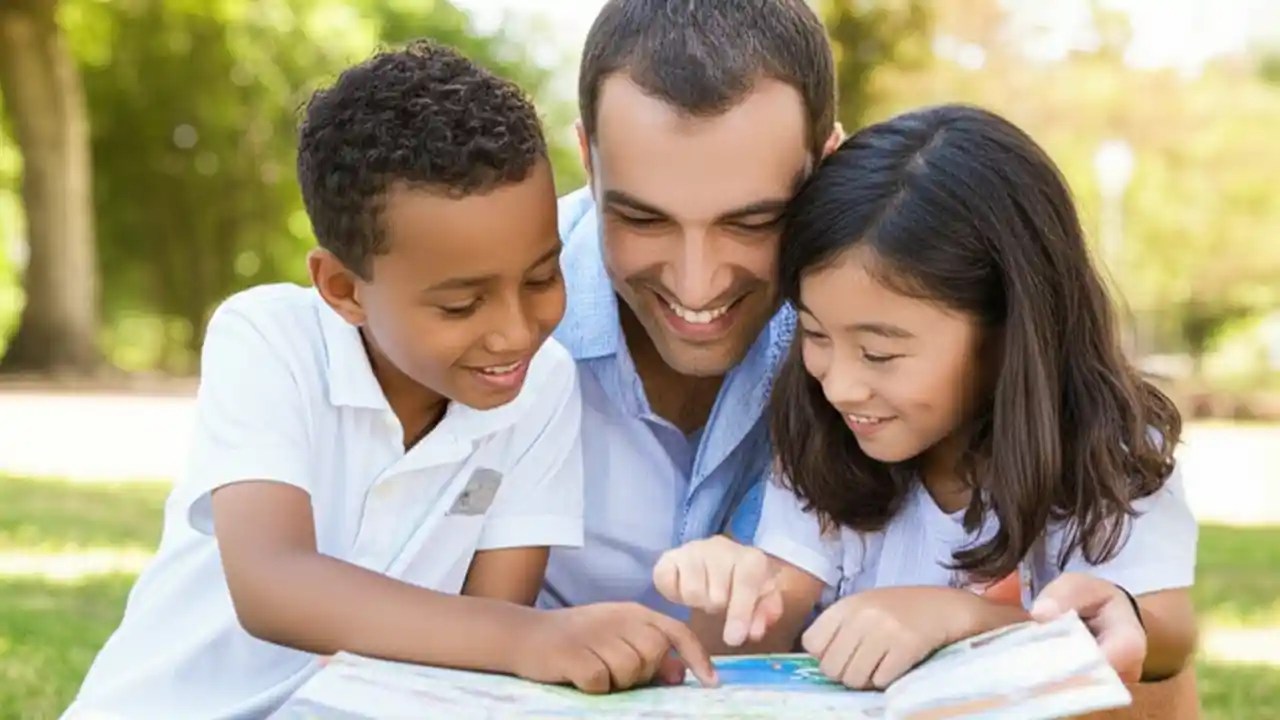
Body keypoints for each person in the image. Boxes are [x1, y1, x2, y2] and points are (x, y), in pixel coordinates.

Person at [65, 41, 711, 720]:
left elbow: (484, 638)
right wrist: (535, 638)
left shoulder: (541, 386)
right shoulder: (268, 338)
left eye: (543, 278)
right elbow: (272, 583)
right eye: (461, 304)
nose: (516, 331)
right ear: (343, 288)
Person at [653, 104, 1199, 688]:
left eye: (880, 354)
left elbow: (1164, 632)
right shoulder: (828, 445)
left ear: (1007, 330)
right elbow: (768, 615)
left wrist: (962, 618)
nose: (838, 385)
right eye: (814, 334)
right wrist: (728, 584)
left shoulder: (1102, 447)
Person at [538, 0, 842, 621]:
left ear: (828, 169)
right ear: (588, 162)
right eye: (643, 219)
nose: (697, 285)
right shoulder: (487, 331)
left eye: (752, 222)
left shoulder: (887, 338)